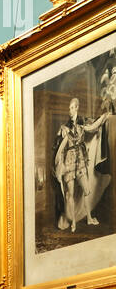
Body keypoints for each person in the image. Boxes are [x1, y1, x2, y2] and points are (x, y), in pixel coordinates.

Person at [53, 97, 109, 232]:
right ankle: (73, 223)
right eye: (69, 108)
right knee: (70, 193)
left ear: (77, 107)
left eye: (72, 108)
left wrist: (104, 117)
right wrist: (59, 167)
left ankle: (89, 217)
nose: (70, 111)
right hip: (69, 163)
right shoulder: (65, 127)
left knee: (86, 190)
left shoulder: (83, 121)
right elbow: (60, 148)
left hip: (81, 161)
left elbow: (92, 128)